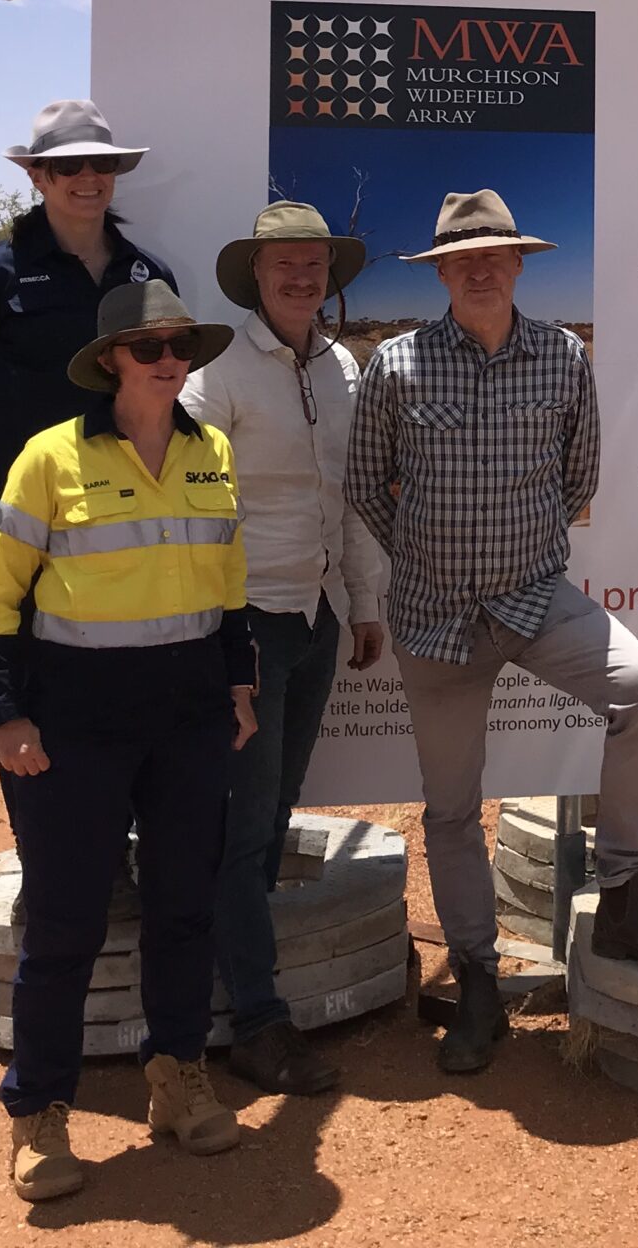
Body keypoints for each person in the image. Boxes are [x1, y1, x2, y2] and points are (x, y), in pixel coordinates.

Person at [345, 189, 638, 1078]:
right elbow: (366, 485)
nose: (478, 270)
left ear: (518, 266)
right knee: (451, 807)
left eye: (495, 256)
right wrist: (432, 561)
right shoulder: (395, 366)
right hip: (435, 619)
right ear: (438, 272)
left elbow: (581, 472)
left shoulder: (560, 359)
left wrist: (507, 557)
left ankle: (624, 896)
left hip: (535, 597)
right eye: (460, 260)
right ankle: (476, 975)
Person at [0, 281, 258, 1201]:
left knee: (184, 907)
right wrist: (9, 718)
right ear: (110, 362)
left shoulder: (212, 451)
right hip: (75, 726)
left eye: (178, 343)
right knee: (66, 922)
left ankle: (176, 1075)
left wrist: (240, 687)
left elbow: (231, 591)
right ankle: (40, 1112)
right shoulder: (47, 459)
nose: (167, 358)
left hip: (190, 719)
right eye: (146, 346)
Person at [182, 202, 389, 1097]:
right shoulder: (216, 370)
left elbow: (349, 496)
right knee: (241, 827)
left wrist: (365, 602)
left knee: (271, 815)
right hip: (248, 623)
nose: (302, 279)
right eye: (284, 267)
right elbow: (188, 509)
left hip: (314, 618)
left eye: (314, 266)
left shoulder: (342, 367)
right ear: (256, 279)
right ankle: (257, 1022)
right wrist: (221, 646)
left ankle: (237, 998)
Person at [0, 101, 176, 580]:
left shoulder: (149, 276)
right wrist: (7, 457)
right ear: (38, 177)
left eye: (102, 163)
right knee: (15, 644)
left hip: (123, 500)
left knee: (116, 639)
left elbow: (164, 381)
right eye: (68, 165)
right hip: (23, 504)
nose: (88, 176)